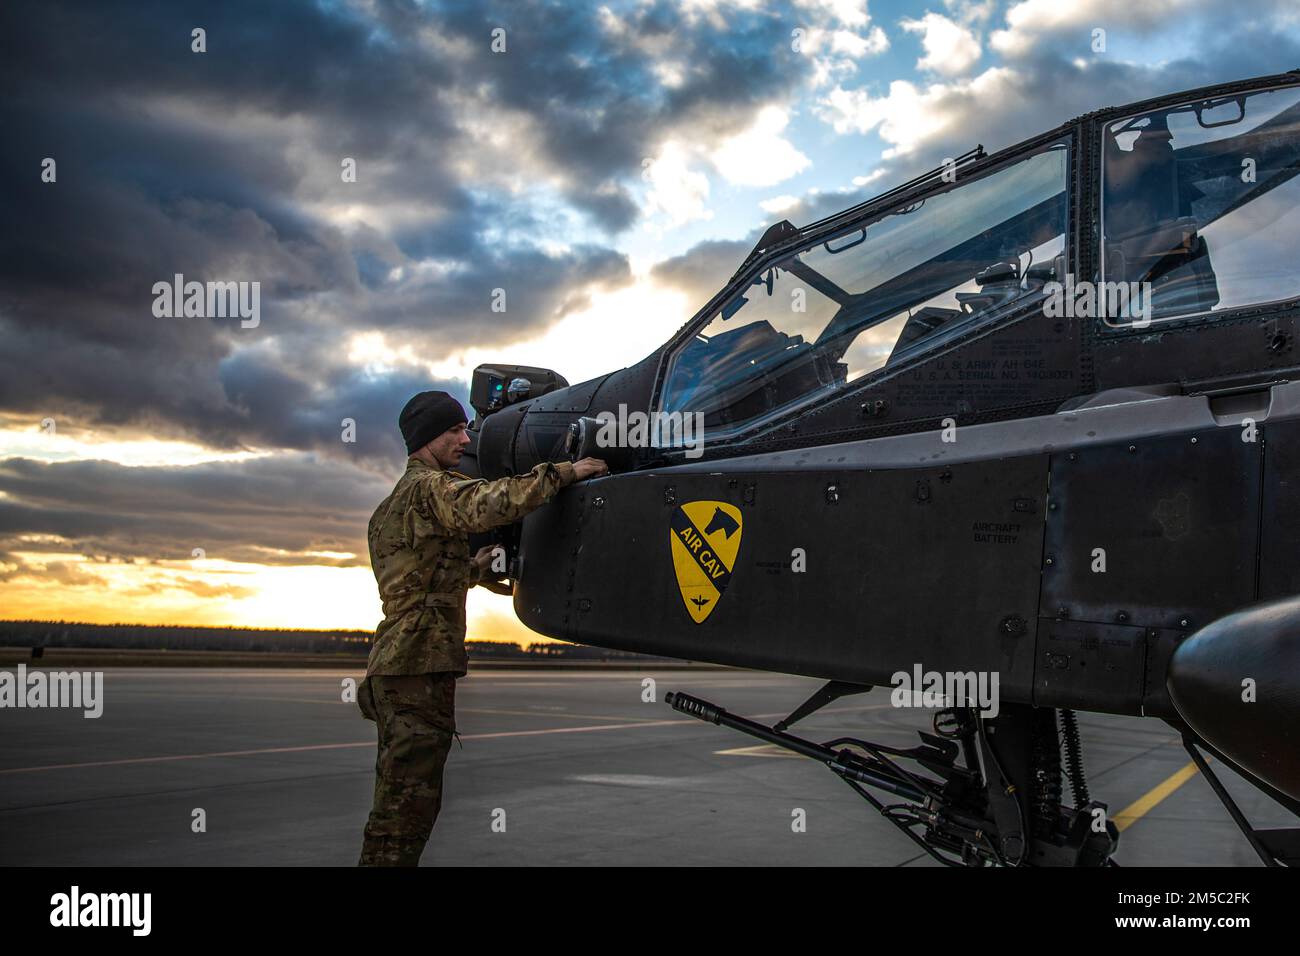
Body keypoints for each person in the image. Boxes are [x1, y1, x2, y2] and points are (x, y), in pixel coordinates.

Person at [357, 389, 608, 866]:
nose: (464, 437)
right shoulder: (430, 488)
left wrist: (473, 568)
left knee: (399, 801)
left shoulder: (386, 512)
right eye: (453, 430)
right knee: (404, 812)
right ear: (428, 437)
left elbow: (417, 585)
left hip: (397, 664)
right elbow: (486, 503)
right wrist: (565, 473)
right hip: (418, 665)